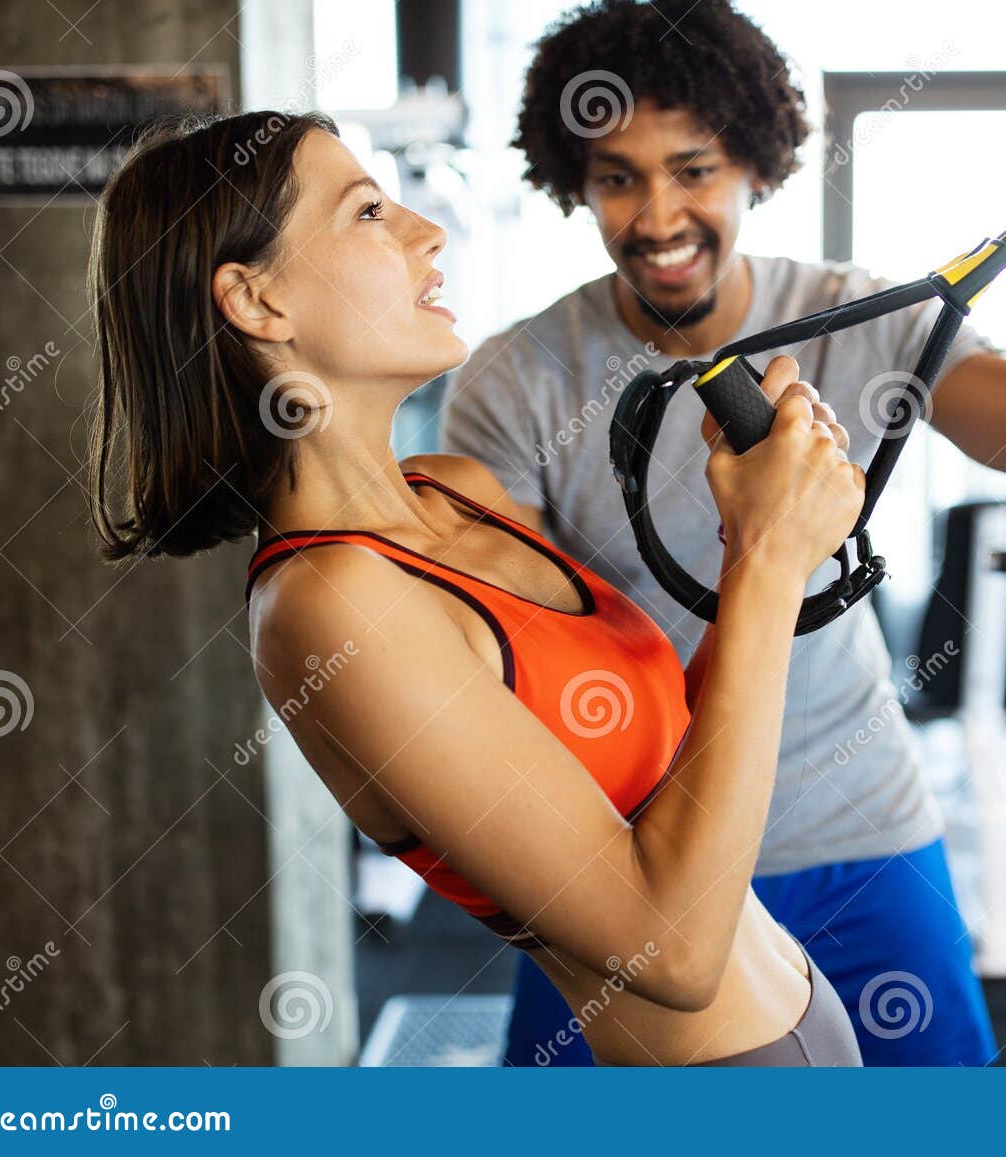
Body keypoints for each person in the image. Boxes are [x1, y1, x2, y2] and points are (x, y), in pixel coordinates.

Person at [441, 0, 1006, 1066]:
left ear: (753, 164)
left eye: (691, 169)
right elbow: (493, 665)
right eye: (617, 177)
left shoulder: (864, 319)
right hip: (621, 864)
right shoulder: (516, 380)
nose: (657, 215)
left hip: (855, 835)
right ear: (575, 183)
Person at [86, 108, 869, 1067]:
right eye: (370, 212)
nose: (427, 231)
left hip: (807, 1013)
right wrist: (766, 560)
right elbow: (669, 953)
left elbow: (674, 764)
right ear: (256, 302)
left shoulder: (457, 490)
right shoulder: (326, 603)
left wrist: (760, 523)